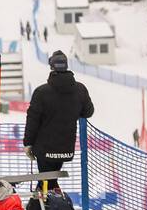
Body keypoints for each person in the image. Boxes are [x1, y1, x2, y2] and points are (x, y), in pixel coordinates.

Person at [23, 52, 94, 186]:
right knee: (49, 182)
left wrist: (28, 143)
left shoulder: (41, 92)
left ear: (51, 67)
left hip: (44, 150)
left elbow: (33, 120)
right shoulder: (80, 89)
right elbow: (88, 111)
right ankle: (47, 204)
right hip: (65, 149)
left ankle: (50, 205)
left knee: (46, 183)